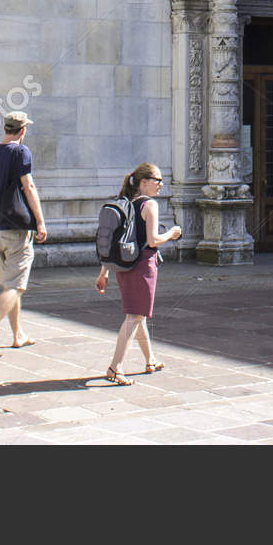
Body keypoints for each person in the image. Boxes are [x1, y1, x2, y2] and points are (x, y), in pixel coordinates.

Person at [95, 163, 182, 384]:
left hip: (123, 265)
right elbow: (153, 240)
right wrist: (171, 234)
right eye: (157, 180)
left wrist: (103, 272)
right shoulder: (149, 204)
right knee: (134, 316)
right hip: (142, 265)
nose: (161, 184)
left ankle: (150, 359)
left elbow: (115, 239)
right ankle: (115, 367)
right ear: (144, 182)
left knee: (138, 314)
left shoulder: (127, 203)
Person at [0, 111, 47, 356]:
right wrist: (41, 222)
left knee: (10, 285)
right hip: (18, 226)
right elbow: (28, 186)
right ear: (22, 131)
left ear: (6, 128)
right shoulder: (21, 152)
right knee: (16, 286)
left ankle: (18, 335)